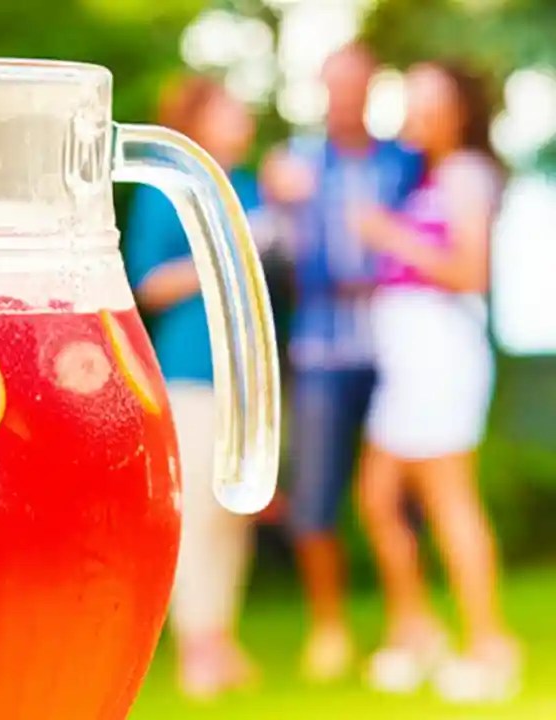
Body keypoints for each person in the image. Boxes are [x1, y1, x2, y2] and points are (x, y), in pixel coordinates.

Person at [351, 61, 517, 702]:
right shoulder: (424, 179)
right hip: (408, 364)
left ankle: (488, 644)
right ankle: (416, 628)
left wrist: (386, 234)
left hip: (440, 362)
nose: (414, 112)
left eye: (428, 100)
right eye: (410, 99)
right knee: (377, 497)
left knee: (450, 500)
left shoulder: (465, 174)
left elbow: (470, 272)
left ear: (460, 112)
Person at [260, 43, 423, 681]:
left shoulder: (405, 163)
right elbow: (267, 239)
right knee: (317, 496)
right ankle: (329, 627)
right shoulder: (294, 164)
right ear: (322, 90)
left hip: (394, 344)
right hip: (322, 348)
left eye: (358, 85)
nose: (346, 97)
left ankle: (407, 623)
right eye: (336, 86)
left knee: (401, 499)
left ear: (373, 88)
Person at [124, 75, 261, 700]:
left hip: (250, 376)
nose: (244, 115)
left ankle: (222, 637)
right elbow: (147, 285)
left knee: (238, 512)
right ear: (199, 120)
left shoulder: (255, 189)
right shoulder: (167, 193)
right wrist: (226, 253)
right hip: (188, 369)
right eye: (229, 106)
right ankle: (197, 649)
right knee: (199, 515)